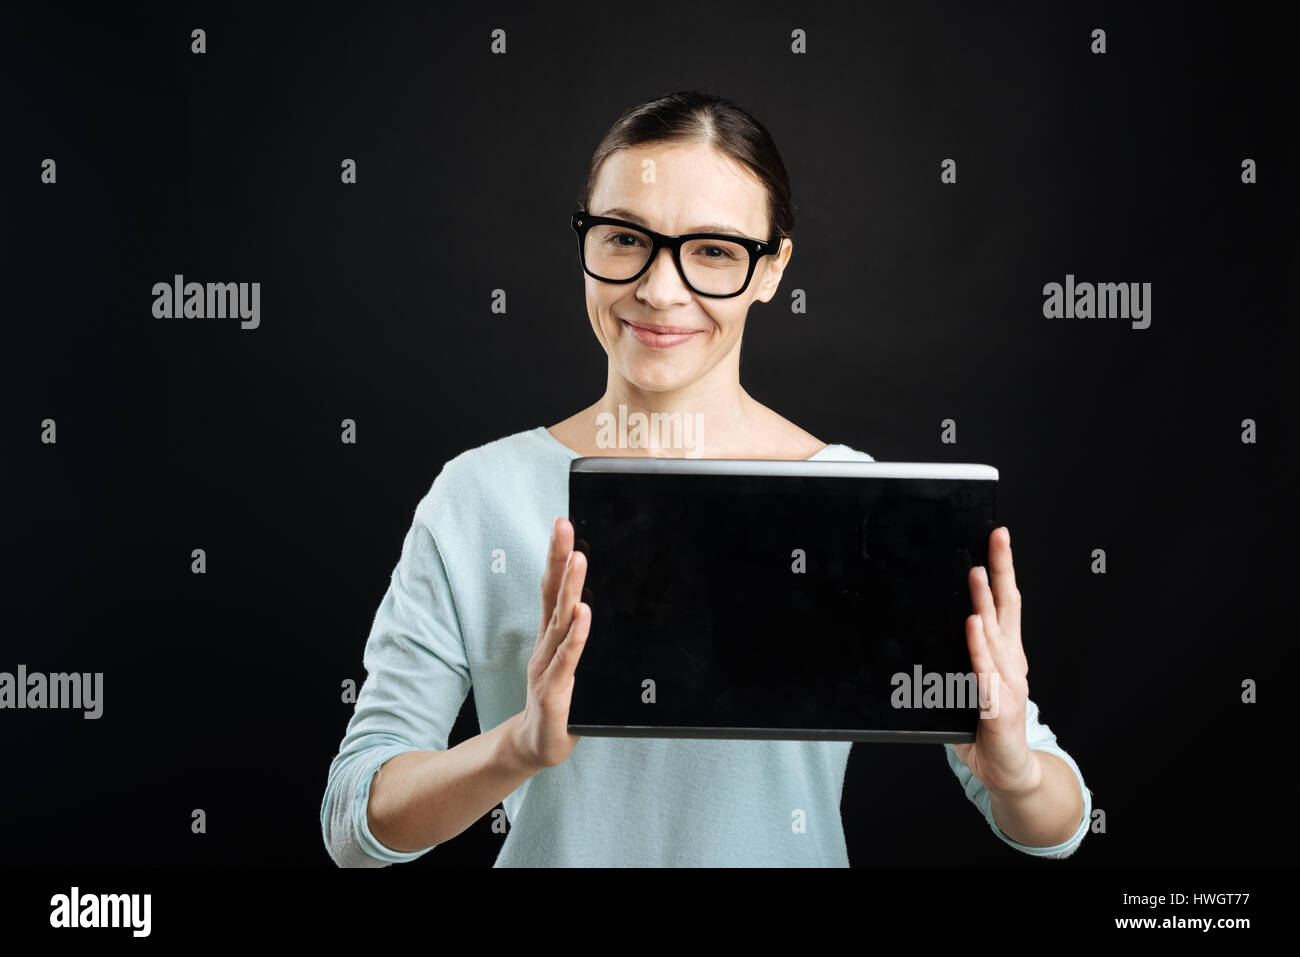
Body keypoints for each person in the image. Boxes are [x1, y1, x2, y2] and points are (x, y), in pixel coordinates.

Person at [320, 90, 1091, 867]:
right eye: (626, 238)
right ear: (585, 236)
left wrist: (1015, 772)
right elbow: (354, 823)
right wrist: (516, 747)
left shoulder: (859, 504)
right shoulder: (479, 496)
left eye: (714, 250)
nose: (660, 290)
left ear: (773, 267)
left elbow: (1059, 822)